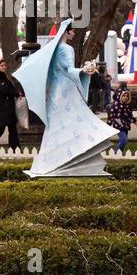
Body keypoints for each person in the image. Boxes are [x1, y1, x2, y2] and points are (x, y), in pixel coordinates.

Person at [11, 21, 118, 177]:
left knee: (56, 125)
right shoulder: (67, 49)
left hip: (55, 92)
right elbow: (69, 70)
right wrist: (85, 70)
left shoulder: (53, 50)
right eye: (72, 31)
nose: (74, 33)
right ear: (66, 32)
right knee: (75, 120)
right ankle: (76, 154)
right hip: (66, 90)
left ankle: (53, 161)